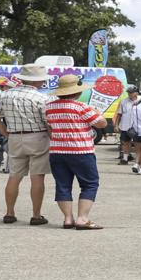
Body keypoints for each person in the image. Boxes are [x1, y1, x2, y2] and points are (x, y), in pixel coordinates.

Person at [0, 63, 58, 224]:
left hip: (14, 137)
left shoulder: (5, 95)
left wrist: (6, 133)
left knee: (14, 176)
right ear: (38, 81)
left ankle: (9, 212)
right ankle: (36, 215)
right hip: (38, 137)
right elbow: (48, 123)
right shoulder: (43, 98)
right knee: (37, 177)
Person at [43, 75, 108, 229]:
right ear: (77, 92)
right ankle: (82, 219)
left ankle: (67, 219)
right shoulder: (81, 107)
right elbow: (101, 124)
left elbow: (50, 129)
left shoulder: (49, 108)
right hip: (81, 151)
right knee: (90, 184)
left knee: (63, 185)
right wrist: (97, 112)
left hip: (57, 151)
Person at [117, 87, 141, 163]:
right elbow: (119, 114)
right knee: (125, 143)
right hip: (125, 126)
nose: (129, 94)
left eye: (131, 92)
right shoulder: (123, 102)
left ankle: (138, 160)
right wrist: (116, 125)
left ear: (136, 93)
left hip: (137, 127)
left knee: (137, 144)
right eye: (128, 93)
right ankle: (125, 159)